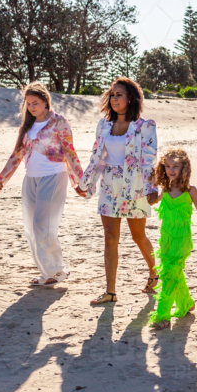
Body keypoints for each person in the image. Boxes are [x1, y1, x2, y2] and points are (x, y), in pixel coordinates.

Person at [0, 82, 86, 286]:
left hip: (53, 176)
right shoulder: (27, 125)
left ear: (46, 102)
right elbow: (17, 154)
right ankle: (46, 272)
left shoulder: (59, 122)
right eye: (28, 104)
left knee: (43, 226)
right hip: (31, 178)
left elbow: (70, 153)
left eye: (35, 103)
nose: (31, 107)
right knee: (30, 228)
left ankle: (58, 270)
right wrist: (1, 179)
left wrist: (80, 181)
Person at [80, 78, 159, 305]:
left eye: (119, 95)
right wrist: (86, 183)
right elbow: (96, 158)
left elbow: (149, 159)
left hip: (135, 185)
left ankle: (155, 272)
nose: (114, 99)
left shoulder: (145, 126)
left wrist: (152, 187)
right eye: (112, 94)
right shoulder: (104, 125)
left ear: (131, 99)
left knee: (138, 236)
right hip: (109, 186)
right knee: (110, 238)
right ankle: (110, 292)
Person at [147, 148, 197, 330]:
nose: (171, 169)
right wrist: (149, 186)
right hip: (166, 240)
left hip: (181, 242)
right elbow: (152, 201)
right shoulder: (165, 190)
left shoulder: (190, 191)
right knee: (175, 275)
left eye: (176, 165)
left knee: (168, 277)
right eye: (167, 166)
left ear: (184, 167)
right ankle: (186, 303)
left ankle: (163, 316)